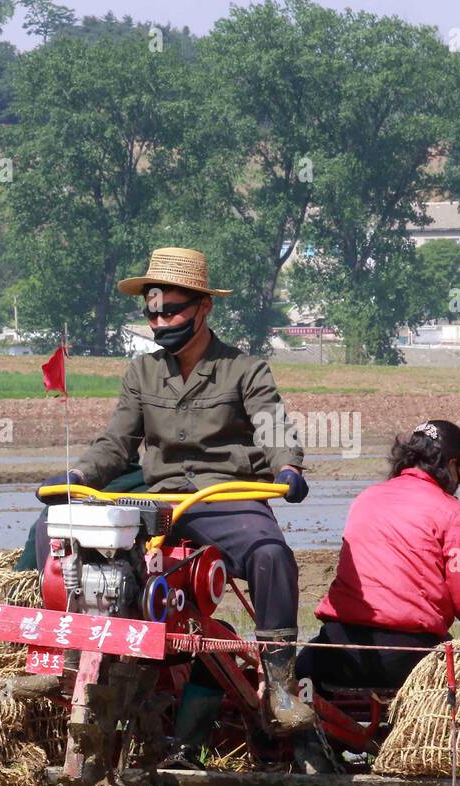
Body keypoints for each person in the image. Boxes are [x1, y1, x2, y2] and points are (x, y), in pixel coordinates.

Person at [38, 247, 315, 740]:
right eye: (152, 311)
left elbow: (273, 426)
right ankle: (64, 656)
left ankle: (279, 683)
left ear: (204, 308)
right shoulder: (142, 373)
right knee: (56, 531)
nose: (161, 320)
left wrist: (288, 466)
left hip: (224, 498)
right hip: (159, 501)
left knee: (272, 554)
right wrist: (80, 476)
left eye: (172, 310)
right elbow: (115, 442)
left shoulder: (244, 370)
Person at [292, 420, 460, 771]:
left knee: (300, 673)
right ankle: (407, 752)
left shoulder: (366, 499)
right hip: (409, 657)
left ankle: (316, 750)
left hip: (340, 650)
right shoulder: (454, 514)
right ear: (452, 465)